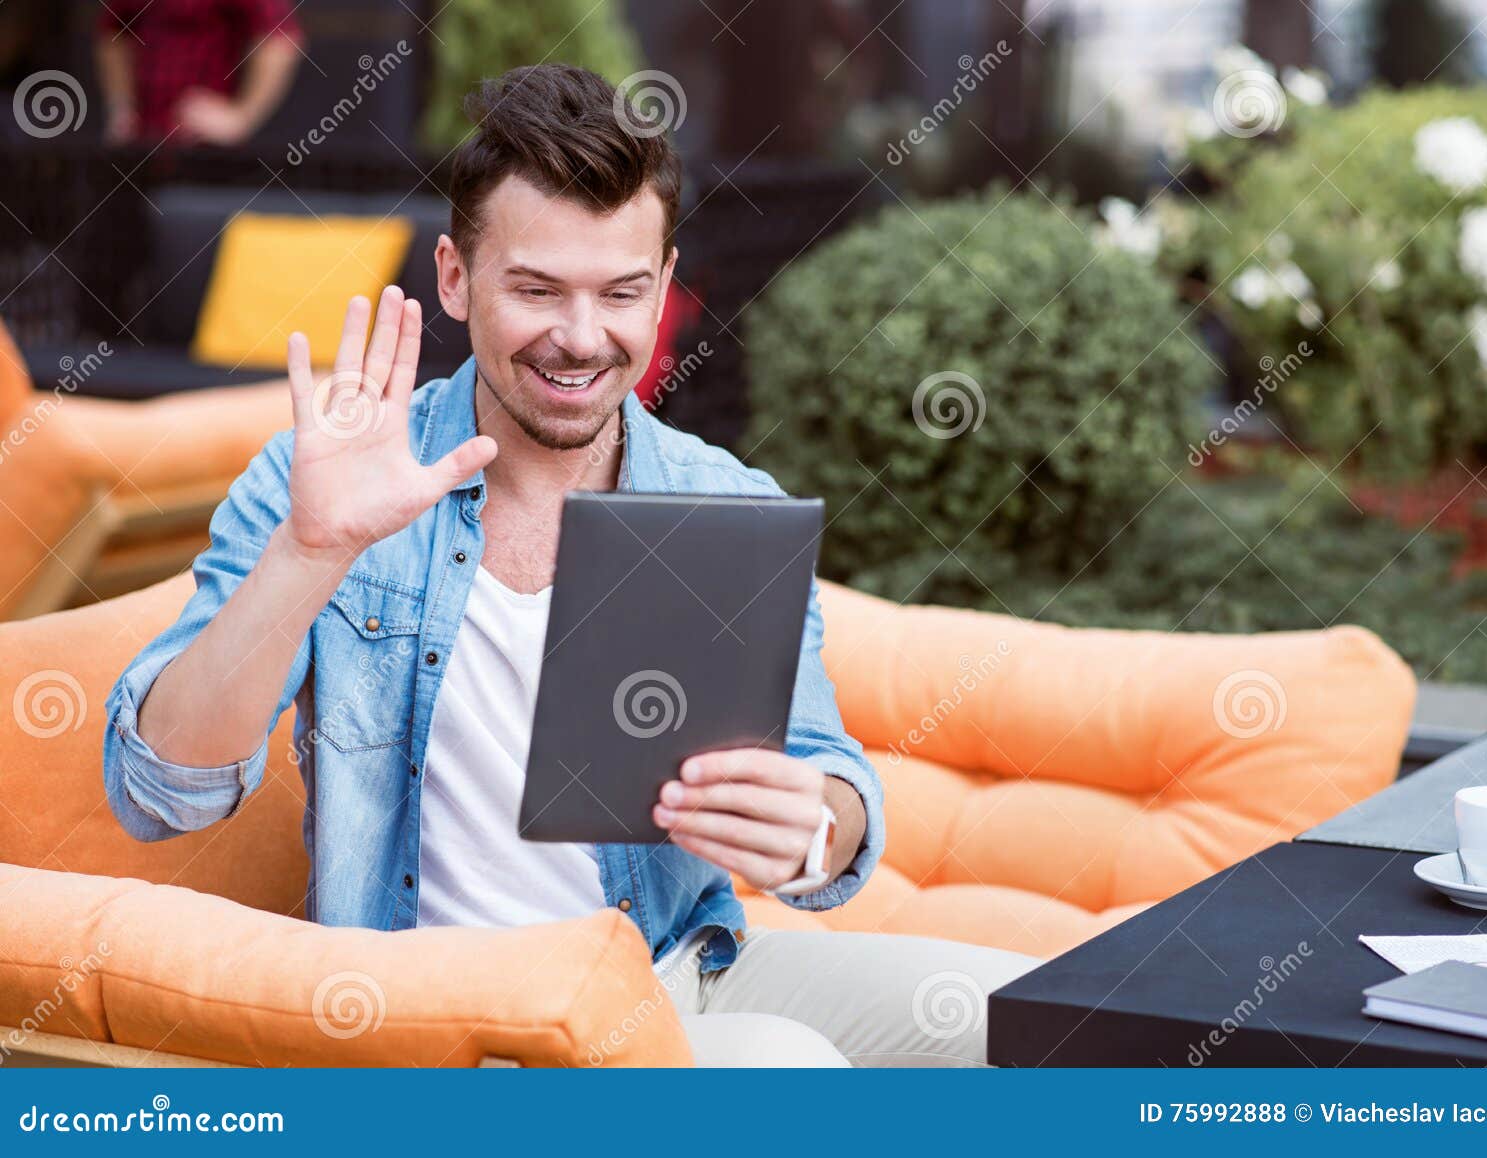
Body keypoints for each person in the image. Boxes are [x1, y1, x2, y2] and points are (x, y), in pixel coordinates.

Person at [103, 63, 1039, 1067]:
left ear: (666, 285)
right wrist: (311, 549)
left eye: (622, 292)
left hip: (677, 964)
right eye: (538, 289)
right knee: (779, 1066)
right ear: (456, 279)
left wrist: (816, 827)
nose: (582, 338)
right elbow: (161, 794)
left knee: (1033, 1018)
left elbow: (827, 777)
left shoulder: (723, 503)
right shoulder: (321, 481)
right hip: (449, 1015)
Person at [95, 0, 302, 145]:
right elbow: (113, 32)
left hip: (205, 150)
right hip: (140, 144)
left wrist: (242, 117)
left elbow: (282, 38)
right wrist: (120, 105)